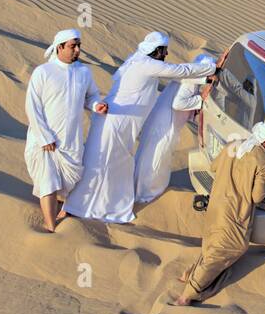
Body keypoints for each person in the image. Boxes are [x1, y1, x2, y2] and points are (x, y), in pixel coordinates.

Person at [64, 32, 216, 224]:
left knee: (112, 166)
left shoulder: (138, 59)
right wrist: (212, 69)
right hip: (116, 122)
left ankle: (98, 208)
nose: (166, 55)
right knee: (101, 166)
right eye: (164, 51)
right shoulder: (146, 64)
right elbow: (180, 71)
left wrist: (204, 78)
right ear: (156, 50)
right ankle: (78, 208)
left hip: (118, 121)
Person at [173, 121, 265, 306]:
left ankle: (188, 275)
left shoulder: (234, 144)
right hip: (235, 213)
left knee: (212, 245)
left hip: (216, 206)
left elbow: (214, 167)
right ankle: (187, 295)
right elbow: (257, 197)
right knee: (227, 249)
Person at [24, 28, 108, 233]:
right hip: (45, 141)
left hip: (71, 140)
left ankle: (66, 211)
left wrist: (97, 105)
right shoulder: (43, 72)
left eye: (79, 46)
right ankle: (50, 226)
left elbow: (92, 96)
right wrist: (44, 137)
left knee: (71, 180)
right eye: (73, 46)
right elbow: (32, 107)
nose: (77, 50)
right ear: (59, 47)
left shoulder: (83, 72)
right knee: (48, 181)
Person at [133, 52, 216, 204]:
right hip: (166, 125)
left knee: (149, 156)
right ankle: (147, 195)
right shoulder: (190, 82)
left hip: (161, 122)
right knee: (157, 159)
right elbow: (179, 104)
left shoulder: (188, 77)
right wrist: (201, 99)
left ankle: (141, 190)